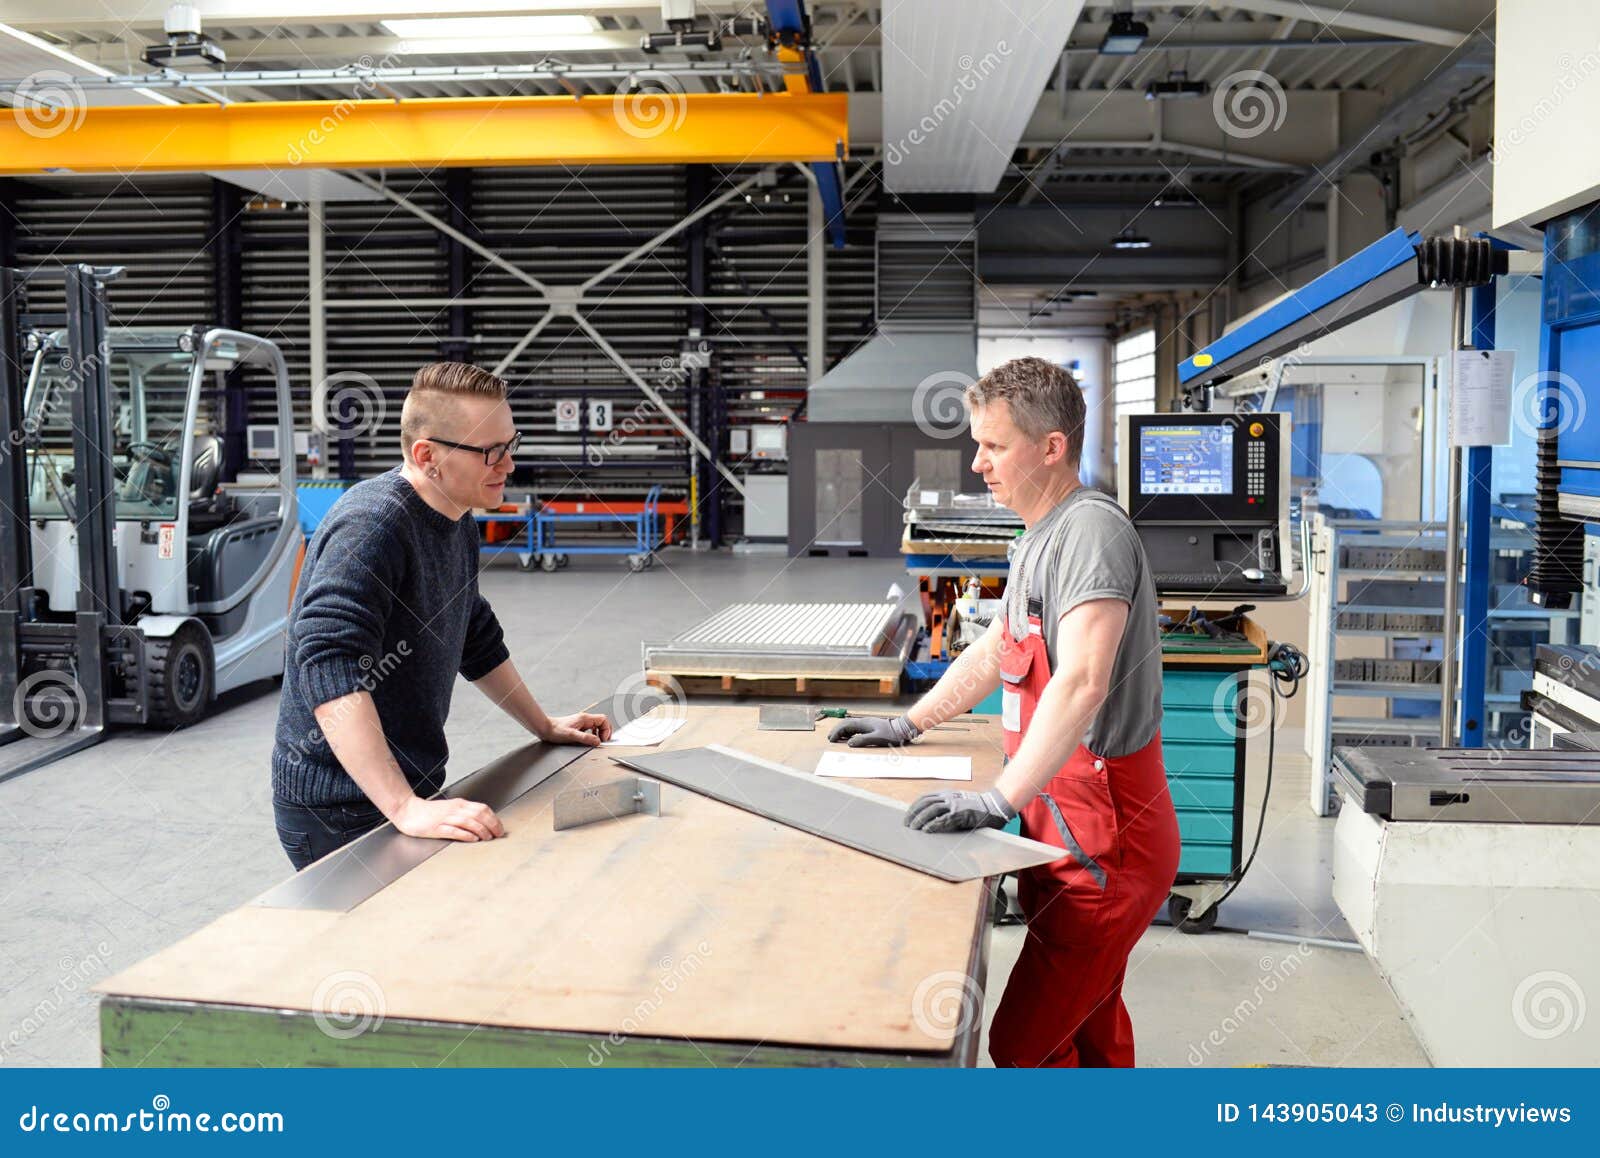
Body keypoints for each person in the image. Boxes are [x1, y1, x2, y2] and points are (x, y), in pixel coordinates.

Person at [829, 356, 1179, 1067]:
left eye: (994, 445)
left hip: (1108, 845)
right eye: (977, 444)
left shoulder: (1090, 534)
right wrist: (908, 723)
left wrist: (997, 798)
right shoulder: (1038, 539)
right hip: (1067, 832)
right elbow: (996, 649)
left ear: (1051, 448)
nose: (977, 462)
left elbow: (1082, 682)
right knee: (1090, 1025)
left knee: (1023, 1043)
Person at [270, 362, 610, 870]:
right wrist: (403, 806)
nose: (509, 464)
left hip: (408, 789)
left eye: (510, 443)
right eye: (491, 452)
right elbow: (327, 664)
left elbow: (473, 632)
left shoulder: (456, 518)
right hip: (340, 806)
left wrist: (543, 725)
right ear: (427, 456)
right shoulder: (374, 527)